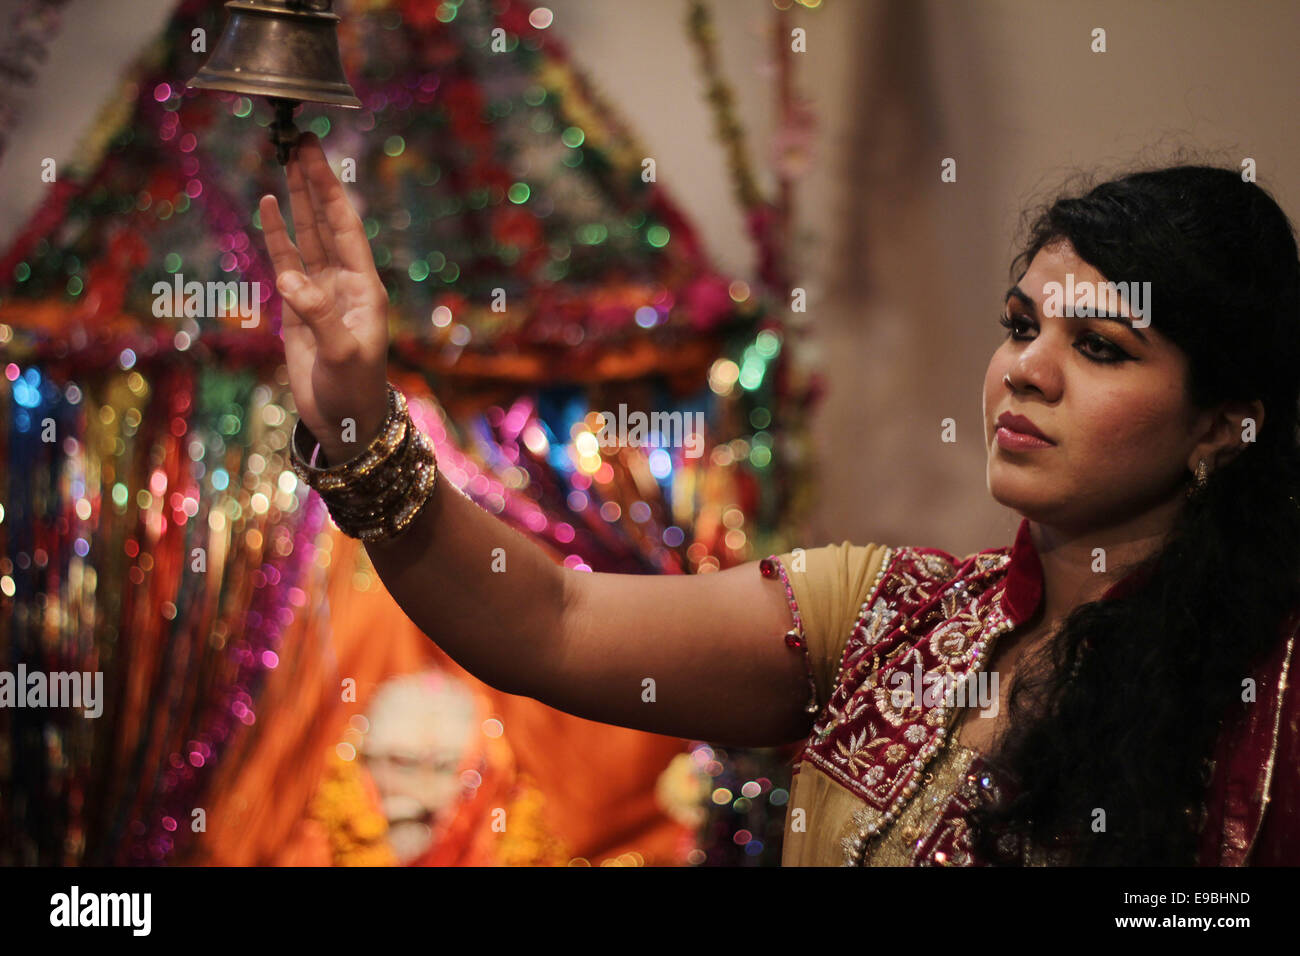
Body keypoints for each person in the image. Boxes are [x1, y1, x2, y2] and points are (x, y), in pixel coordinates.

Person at [258, 134, 1300, 865]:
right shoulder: (886, 617)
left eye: (1100, 348)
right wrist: (356, 424)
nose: (1026, 370)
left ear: (1222, 423)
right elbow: (549, 619)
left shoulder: (1269, 697)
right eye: (1020, 323)